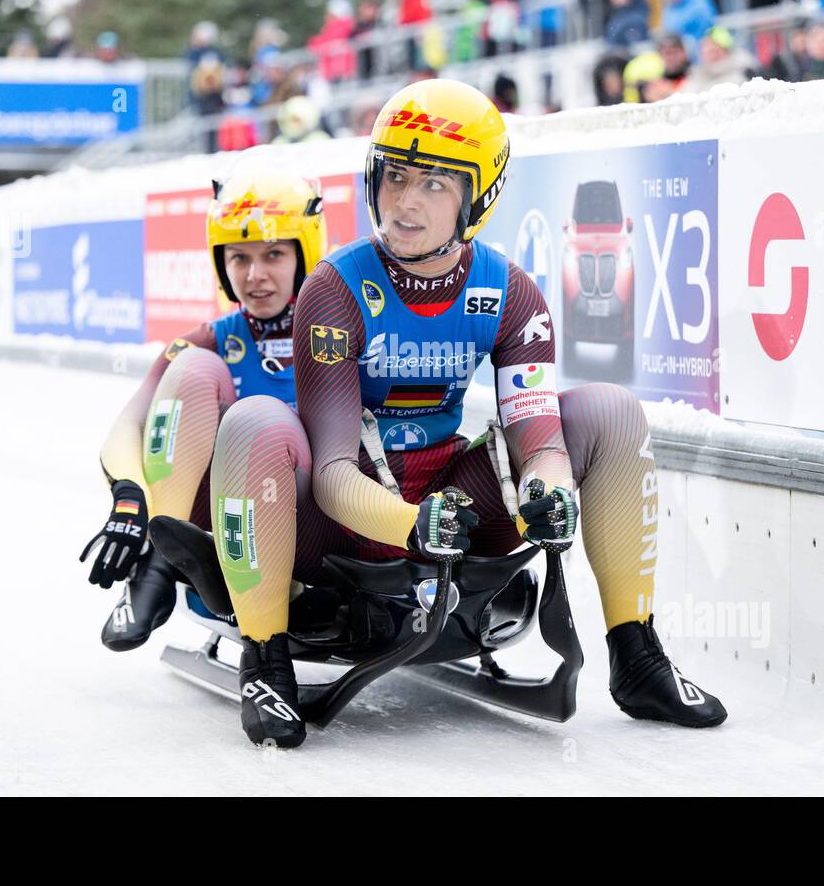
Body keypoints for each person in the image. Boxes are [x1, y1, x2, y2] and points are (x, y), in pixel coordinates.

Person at [160, 79, 727, 747]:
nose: (403, 202)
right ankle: (266, 659)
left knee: (611, 410)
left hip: (447, 499)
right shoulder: (333, 289)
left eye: (433, 184)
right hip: (341, 518)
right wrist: (412, 523)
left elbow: (537, 434)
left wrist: (551, 492)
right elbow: (336, 471)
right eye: (395, 176)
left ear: (476, 196)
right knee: (256, 420)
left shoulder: (511, 292)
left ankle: (636, 655)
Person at [79, 165, 326, 653]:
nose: (255, 276)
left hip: (312, 510)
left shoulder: (336, 328)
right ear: (221, 264)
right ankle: (162, 562)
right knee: (192, 368)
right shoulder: (211, 338)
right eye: (239, 258)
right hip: (227, 514)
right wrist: (130, 499)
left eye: (274, 254)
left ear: (304, 254)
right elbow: (129, 425)